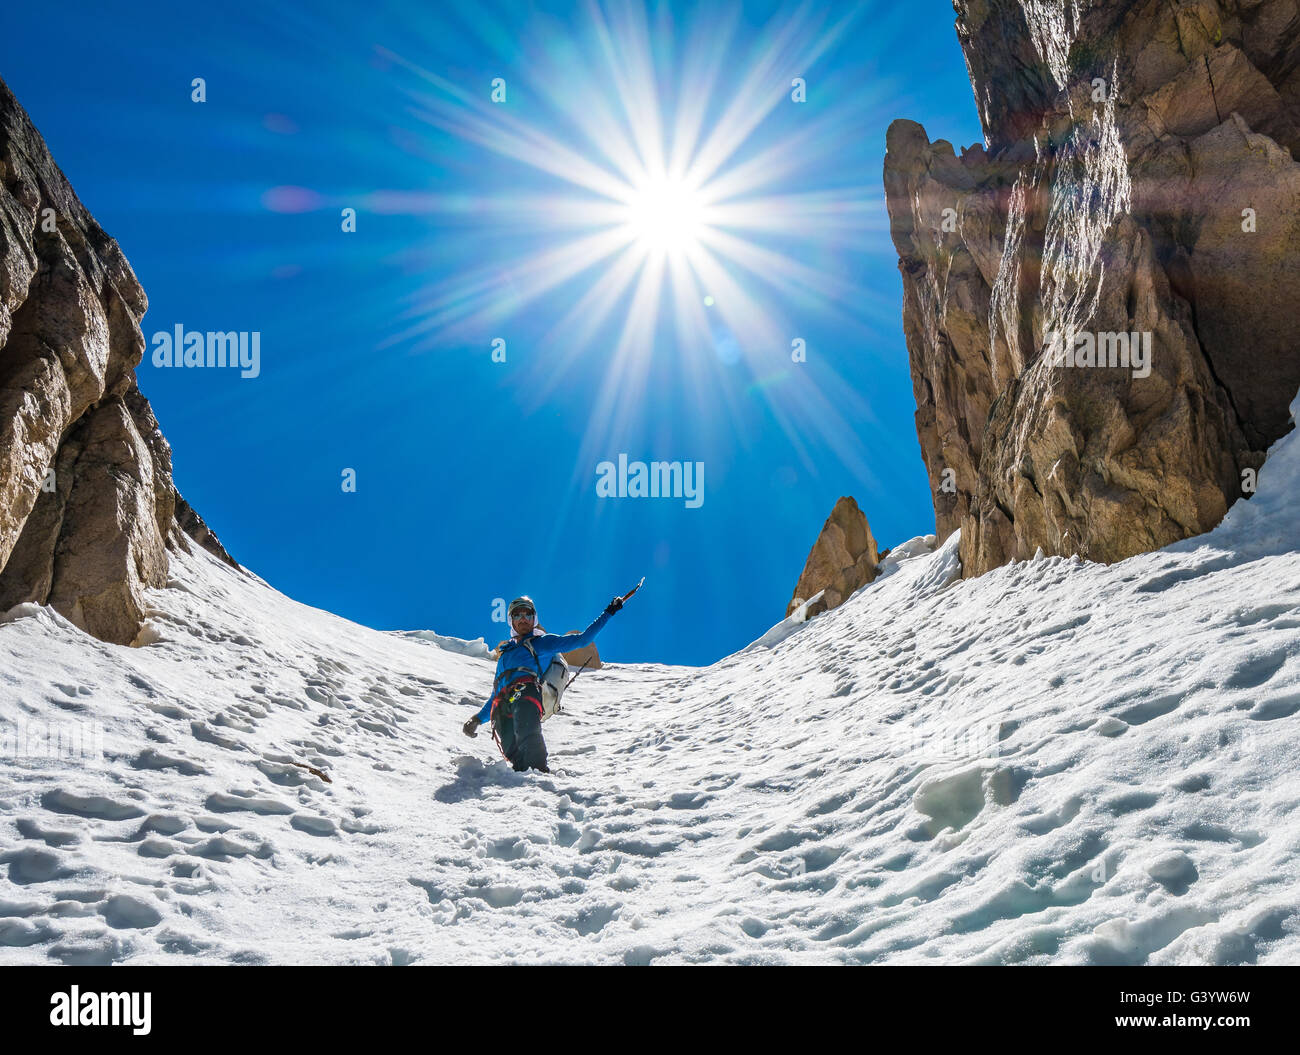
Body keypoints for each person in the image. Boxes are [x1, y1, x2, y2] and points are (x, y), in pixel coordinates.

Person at [462, 593, 624, 772]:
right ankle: (523, 774)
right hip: (504, 702)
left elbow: (583, 639)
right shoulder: (505, 656)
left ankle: (538, 771)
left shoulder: (542, 643)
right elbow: (496, 693)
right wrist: (477, 719)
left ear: (534, 619)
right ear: (511, 621)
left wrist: (609, 612)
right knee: (511, 746)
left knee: (526, 725)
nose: (523, 619)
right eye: (517, 615)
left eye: (528, 615)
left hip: (526, 691)